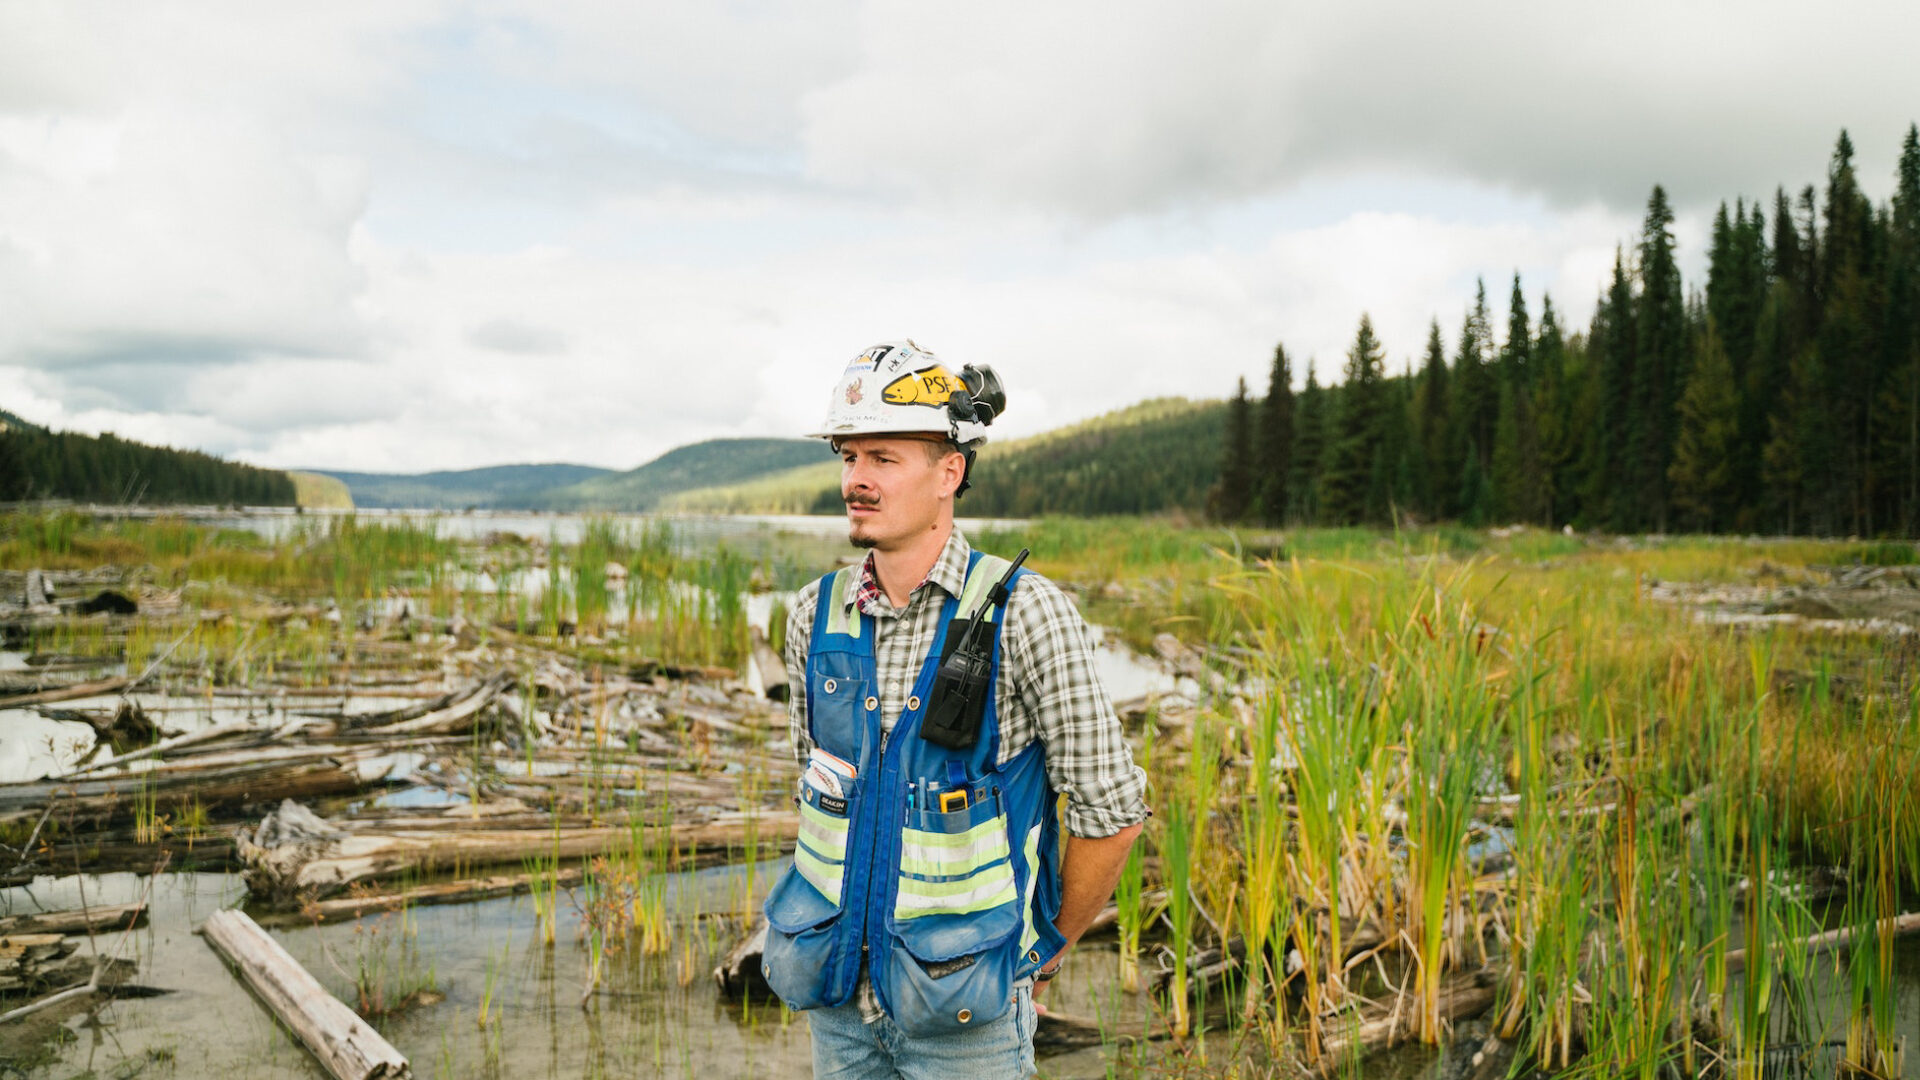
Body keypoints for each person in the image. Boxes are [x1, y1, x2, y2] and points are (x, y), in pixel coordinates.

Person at [762, 340, 1150, 1079]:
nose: (857, 480)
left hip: (968, 1028)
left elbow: (1112, 810)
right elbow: (815, 798)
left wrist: (1044, 955)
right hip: (836, 1008)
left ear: (950, 471)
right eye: (849, 456)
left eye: (884, 458)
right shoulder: (815, 614)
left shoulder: (1027, 614)